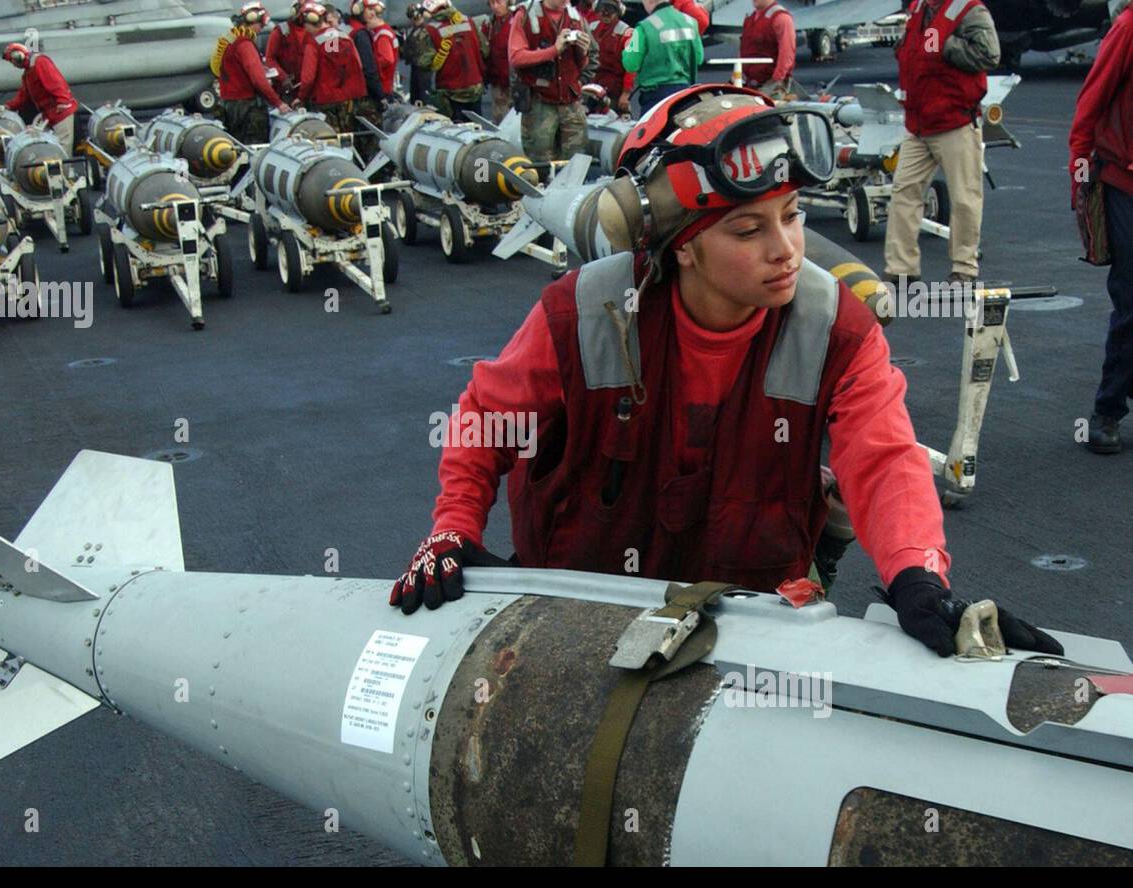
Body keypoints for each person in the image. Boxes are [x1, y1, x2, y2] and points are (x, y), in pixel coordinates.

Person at [388, 83, 1064, 662]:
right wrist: (452, 529)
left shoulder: (834, 328)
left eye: (792, 216)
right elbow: (485, 421)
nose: (787, 251)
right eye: (748, 231)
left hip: (747, 628)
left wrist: (920, 579)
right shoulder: (586, 314)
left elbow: (884, 459)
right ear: (681, 248)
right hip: (580, 618)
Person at [883, 0, 999, 286]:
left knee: (964, 199)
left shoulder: (969, 9)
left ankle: (964, 269)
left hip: (954, 123)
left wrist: (946, 46)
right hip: (920, 124)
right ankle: (901, 268)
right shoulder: (920, 11)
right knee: (903, 192)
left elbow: (989, 54)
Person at [1069, 0, 1133, 454]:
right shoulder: (1128, 28)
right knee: (1132, 302)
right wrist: (1079, 180)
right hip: (1125, 186)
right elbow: (1089, 102)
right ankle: (1107, 411)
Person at [508, 0, 591, 165]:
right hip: (540, 102)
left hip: (570, 102)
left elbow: (581, 65)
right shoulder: (525, 14)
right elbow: (515, 57)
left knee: (576, 162)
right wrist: (553, 50)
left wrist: (583, 50)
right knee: (540, 163)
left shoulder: (575, 17)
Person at [214, 1, 291, 145]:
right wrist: (278, 103)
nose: (261, 29)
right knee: (255, 148)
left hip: (229, 105)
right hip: (246, 108)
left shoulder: (230, 40)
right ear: (253, 22)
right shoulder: (245, 45)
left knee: (236, 148)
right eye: (260, 25)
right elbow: (258, 79)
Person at [620, 0, 706, 116]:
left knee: (652, 133)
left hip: (656, 98)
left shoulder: (643, 27)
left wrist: (628, 48)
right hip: (685, 94)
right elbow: (699, 58)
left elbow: (630, 64)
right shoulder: (690, 22)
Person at [295, 1, 368, 134]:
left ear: (310, 21)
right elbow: (359, 64)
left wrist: (300, 97)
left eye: (305, 25)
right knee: (348, 139)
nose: (305, 29)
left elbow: (308, 78)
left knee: (330, 140)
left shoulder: (313, 43)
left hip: (326, 100)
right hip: (350, 100)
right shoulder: (344, 36)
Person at [414, 0, 489, 122]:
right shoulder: (468, 21)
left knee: (454, 130)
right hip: (475, 87)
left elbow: (424, 63)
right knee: (478, 127)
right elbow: (484, 50)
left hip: (450, 92)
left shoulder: (430, 30)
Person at [3, 42, 78, 153]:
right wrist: (9, 106)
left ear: (18, 56)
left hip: (60, 111)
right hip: (50, 113)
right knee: (46, 144)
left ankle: (64, 169)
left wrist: (62, 101)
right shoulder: (28, 72)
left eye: (12, 61)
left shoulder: (40, 62)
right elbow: (24, 95)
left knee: (63, 147)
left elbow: (56, 81)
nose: (13, 65)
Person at [347, 0, 389, 150]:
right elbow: (369, 69)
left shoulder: (346, 30)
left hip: (349, 97)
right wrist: (381, 95)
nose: (373, 13)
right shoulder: (361, 35)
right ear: (358, 10)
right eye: (369, 10)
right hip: (366, 97)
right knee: (374, 142)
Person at [739, 0, 795, 99]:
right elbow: (744, 49)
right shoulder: (751, 19)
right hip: (750, 83)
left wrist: (776, 81)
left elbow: (787, 53)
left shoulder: (782, 18)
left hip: (771, 85)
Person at [590, 0, 633, 114]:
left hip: (614, 91)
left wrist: (626, 93)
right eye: (603, 8)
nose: (606, 13)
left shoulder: (628, 33)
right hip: (591, 86)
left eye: (611, 9)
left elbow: (632, 67)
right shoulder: (591, 28)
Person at [475, 0, 514, 122]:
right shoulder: (489, 25)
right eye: (492, 3)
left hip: (516, 82)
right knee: (500, 120)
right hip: (497, 81)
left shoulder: (518, 21)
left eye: (499, 2)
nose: (495, 7)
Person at [265, 2, 310, 100]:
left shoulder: (314, 31)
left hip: (309, 89)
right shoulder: (280, 31)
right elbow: (270, 59)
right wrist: (283, 77)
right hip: (287, 89)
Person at [363, 0, 401, 100]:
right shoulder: (386, 31)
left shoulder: (382, 35)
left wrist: (368, 65)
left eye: (366, 22)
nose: (365, 25)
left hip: (383, 87)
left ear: (373, 17)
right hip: (387, 85)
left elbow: (387, 59)